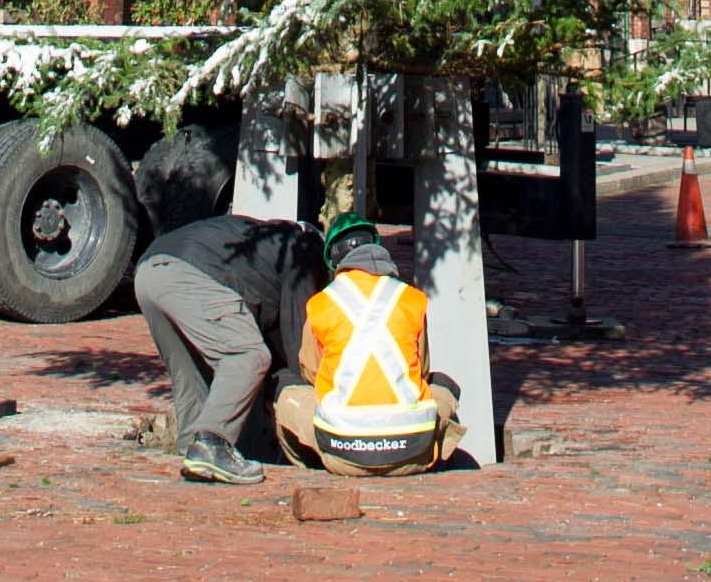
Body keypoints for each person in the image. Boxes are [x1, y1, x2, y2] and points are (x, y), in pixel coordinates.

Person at [131, 183, 327, 485]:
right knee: (247, 355)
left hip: (149, 272)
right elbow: (297, 343)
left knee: (194, 377)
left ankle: (192, 453)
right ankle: (212, 443)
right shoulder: (304, 250)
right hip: (191, 273)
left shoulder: (258, 238)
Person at [275, 212, 463, 474]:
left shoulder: (320, 304)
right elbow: (422, 370)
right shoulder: (412, 299)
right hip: (412, 452)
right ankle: (438, 465)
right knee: (443, 388)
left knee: (288, 394)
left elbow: (311, 373)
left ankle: (312, 468)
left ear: (333, 261)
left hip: (342, 453)